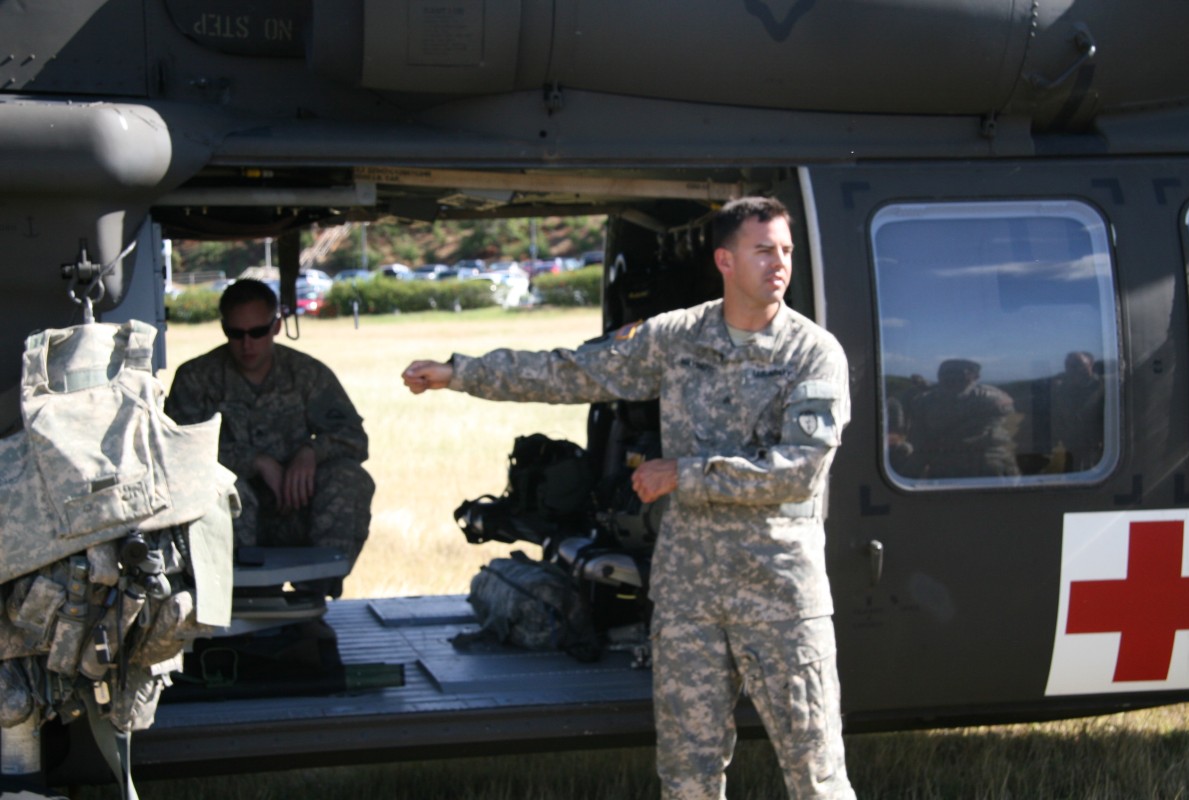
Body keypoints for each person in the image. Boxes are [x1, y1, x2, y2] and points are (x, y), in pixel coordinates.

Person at [403, 197, 856, 799]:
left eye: (787, 251)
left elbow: (797, 471)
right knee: (687, 779)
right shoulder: (677, 337)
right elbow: (575, 371)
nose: (780, 264)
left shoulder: (812, 352)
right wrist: (461, 373)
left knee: (815, 778)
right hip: (689, 598)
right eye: (764, 249)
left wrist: (684, 474)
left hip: (779, 597)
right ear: (724, 258)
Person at [165, 278, 373, 597]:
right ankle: (236, 597)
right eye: (237, 334)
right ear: (224, 329)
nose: (247, 345)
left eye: (257, 332)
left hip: (296, 509)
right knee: (225, 491)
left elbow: (354, 438)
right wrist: (253, 462)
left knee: (350, 478)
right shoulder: (196, 378)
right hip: (232, 516)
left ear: (275, 327)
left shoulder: (306, 374)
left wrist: (310, 453)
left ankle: (314, 596)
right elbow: (177, 450)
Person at [903, 358, 1018, 479]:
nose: (951, 378)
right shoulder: (925, 401)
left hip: (983, 467)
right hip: (950, 468)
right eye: (948, 374)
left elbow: (999, 434)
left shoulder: (991, 398)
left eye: (956, 374)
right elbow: (919, 443)